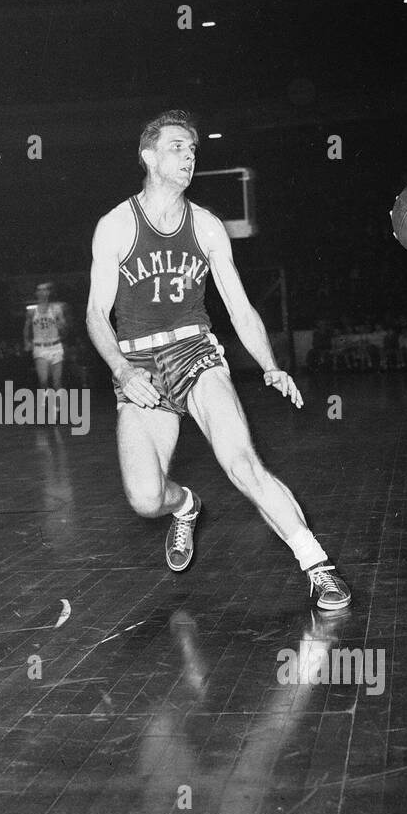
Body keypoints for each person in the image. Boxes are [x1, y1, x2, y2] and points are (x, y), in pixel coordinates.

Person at [87, 110, 351, 608]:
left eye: (193, 149)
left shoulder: (206, 226)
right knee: (146, 500)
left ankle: (318, 566)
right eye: (177, 147)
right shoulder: (117, 226)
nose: (189, 155)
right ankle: (186, 505)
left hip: (195, 354)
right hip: (138, 367)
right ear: (148, 155)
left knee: (242, 464)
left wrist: (271, 364)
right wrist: (121, 369)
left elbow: (240, 306)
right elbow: (95, 315)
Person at [23, 281, 69, 395]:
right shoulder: (32, 311)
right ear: (36, 293)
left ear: (49, 292)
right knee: (43, 381)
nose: (42, 292)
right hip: (40, 348)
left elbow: (65, 329)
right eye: (39, 290)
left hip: (55, 346)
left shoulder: (56, 309)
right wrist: (26, 342)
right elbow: (26, 328)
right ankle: (45, 405)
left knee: (57, 381)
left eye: (45, 289)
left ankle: (57, 408)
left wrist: (62, 327)